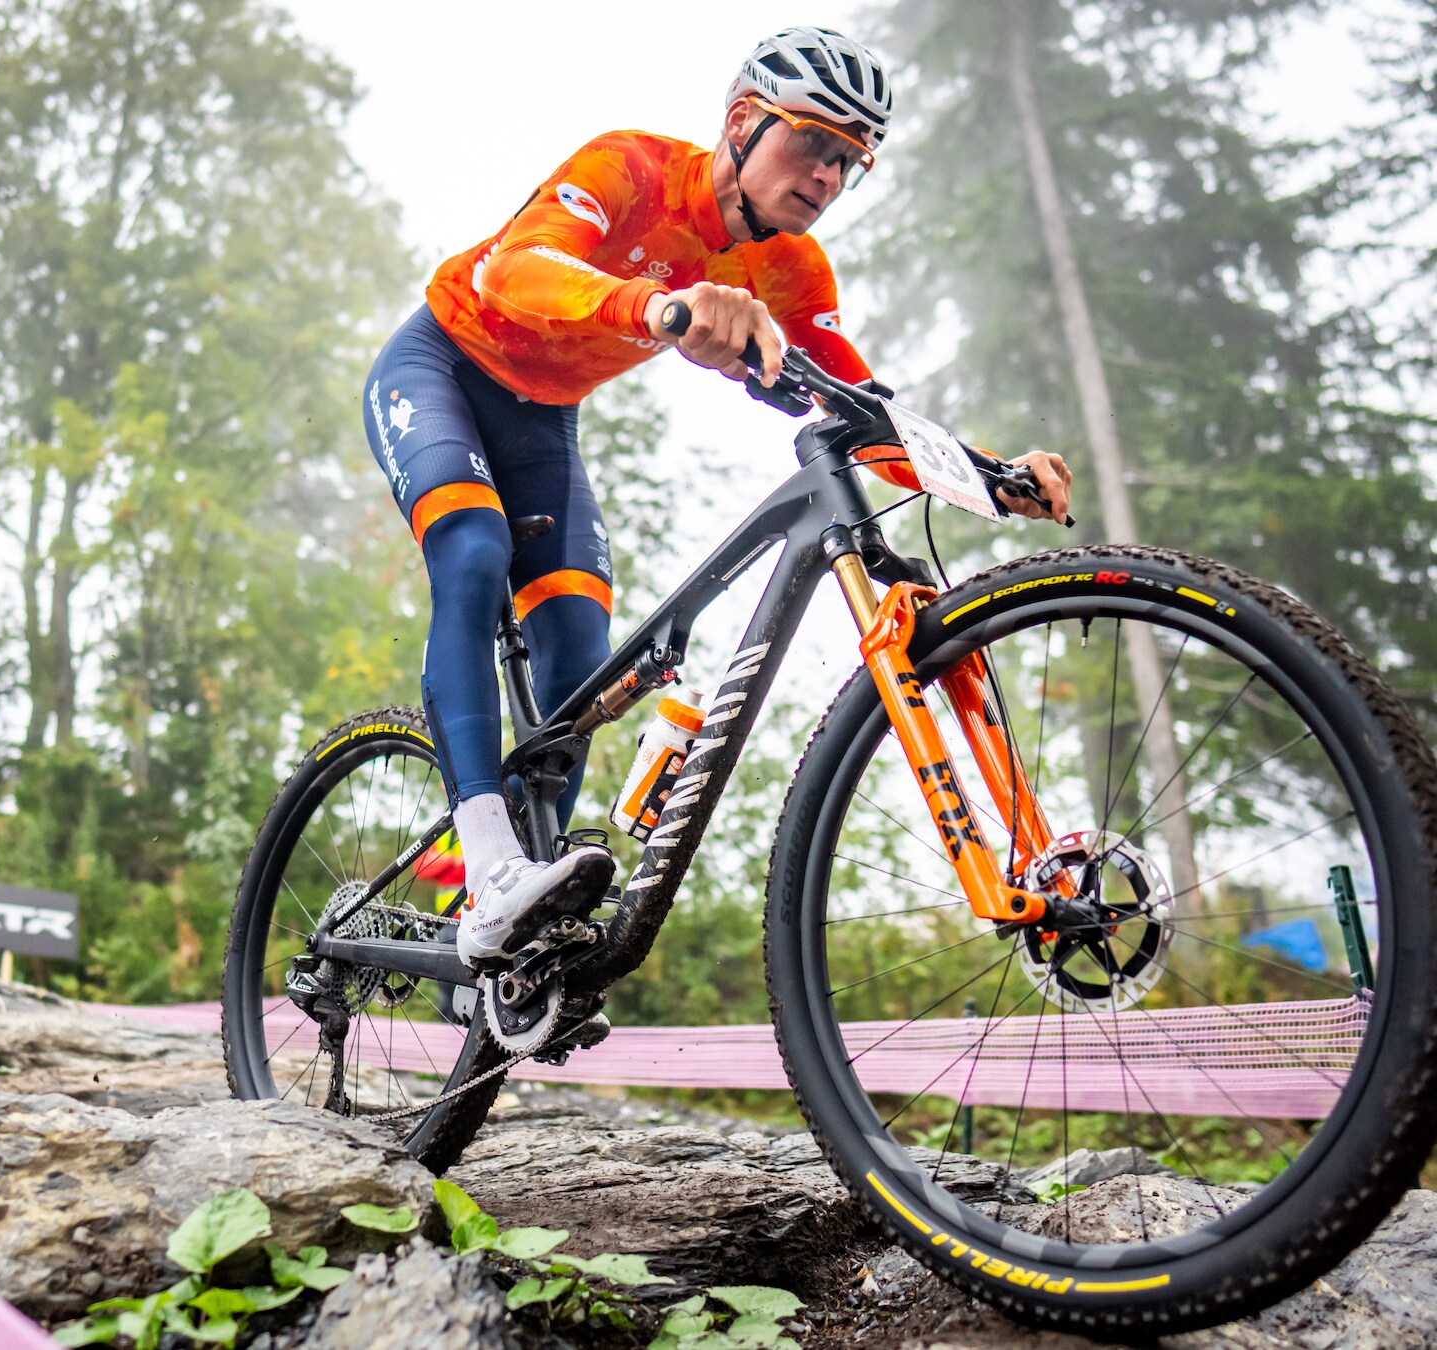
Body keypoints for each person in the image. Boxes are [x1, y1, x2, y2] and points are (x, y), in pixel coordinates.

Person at [362, 28, 1074, 970]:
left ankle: (507, 942)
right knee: (473, 551)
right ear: (742, 123)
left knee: (579, 657)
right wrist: (666, 307)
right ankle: (487, 872)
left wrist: (988, 474)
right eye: (811, 142)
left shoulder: (791, 272)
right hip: (442, 366)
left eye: (848, 162)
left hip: (544, 422)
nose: (826, 175)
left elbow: (862, 406)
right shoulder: (631, 170)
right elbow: (515, 269)